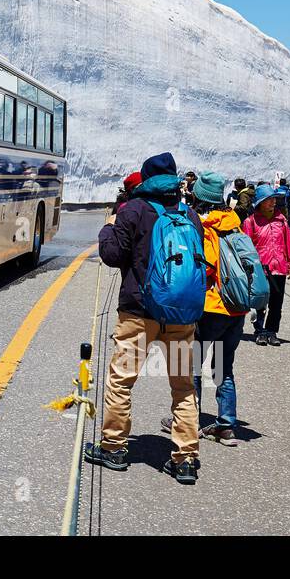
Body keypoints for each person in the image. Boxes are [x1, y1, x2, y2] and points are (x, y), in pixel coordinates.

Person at [85, 152, 205, 484]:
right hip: (181, 315)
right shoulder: (190, 215)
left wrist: (108, 229)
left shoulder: (134, 211)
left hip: (138, 312)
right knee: (183, 386)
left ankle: (114, 447)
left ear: (147, 179)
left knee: (121, 381)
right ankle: (184, 459)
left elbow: (112, 255)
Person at [173, 171, 247, 445]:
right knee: (223, 367)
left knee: (192, 364)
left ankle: (188, 421)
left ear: (198, 196)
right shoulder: (235, 223)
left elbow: (208, 267)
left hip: (213, 305)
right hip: (236, 308)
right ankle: (226, 425)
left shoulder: (207, 227)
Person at [243, 184, 290, 346]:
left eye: (274, 199)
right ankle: (260, 330)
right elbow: (246, 247)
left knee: (276, 302)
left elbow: (288, 243)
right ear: (260, 203)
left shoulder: (281, 220)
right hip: (260, 269)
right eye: (269, 199)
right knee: (260, 302)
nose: (273, 202)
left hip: (279, 267)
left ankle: (272, 331)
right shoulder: (250, 222)